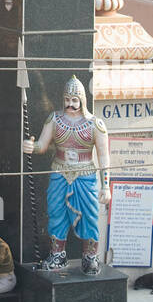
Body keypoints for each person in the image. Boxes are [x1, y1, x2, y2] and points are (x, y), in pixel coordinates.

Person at [22, 75, 111, 275]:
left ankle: (90, 257)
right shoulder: (54, 119)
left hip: (86, 175)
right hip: (59, 173)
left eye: (74, 100)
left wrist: (106, 186)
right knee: (56, 214)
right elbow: (42, 146)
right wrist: (30, 146)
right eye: (67, 100)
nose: (70, 104)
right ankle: (57, 255)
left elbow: (105, 159)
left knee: (90, 216)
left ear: (82, 100)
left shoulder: (95, 124)